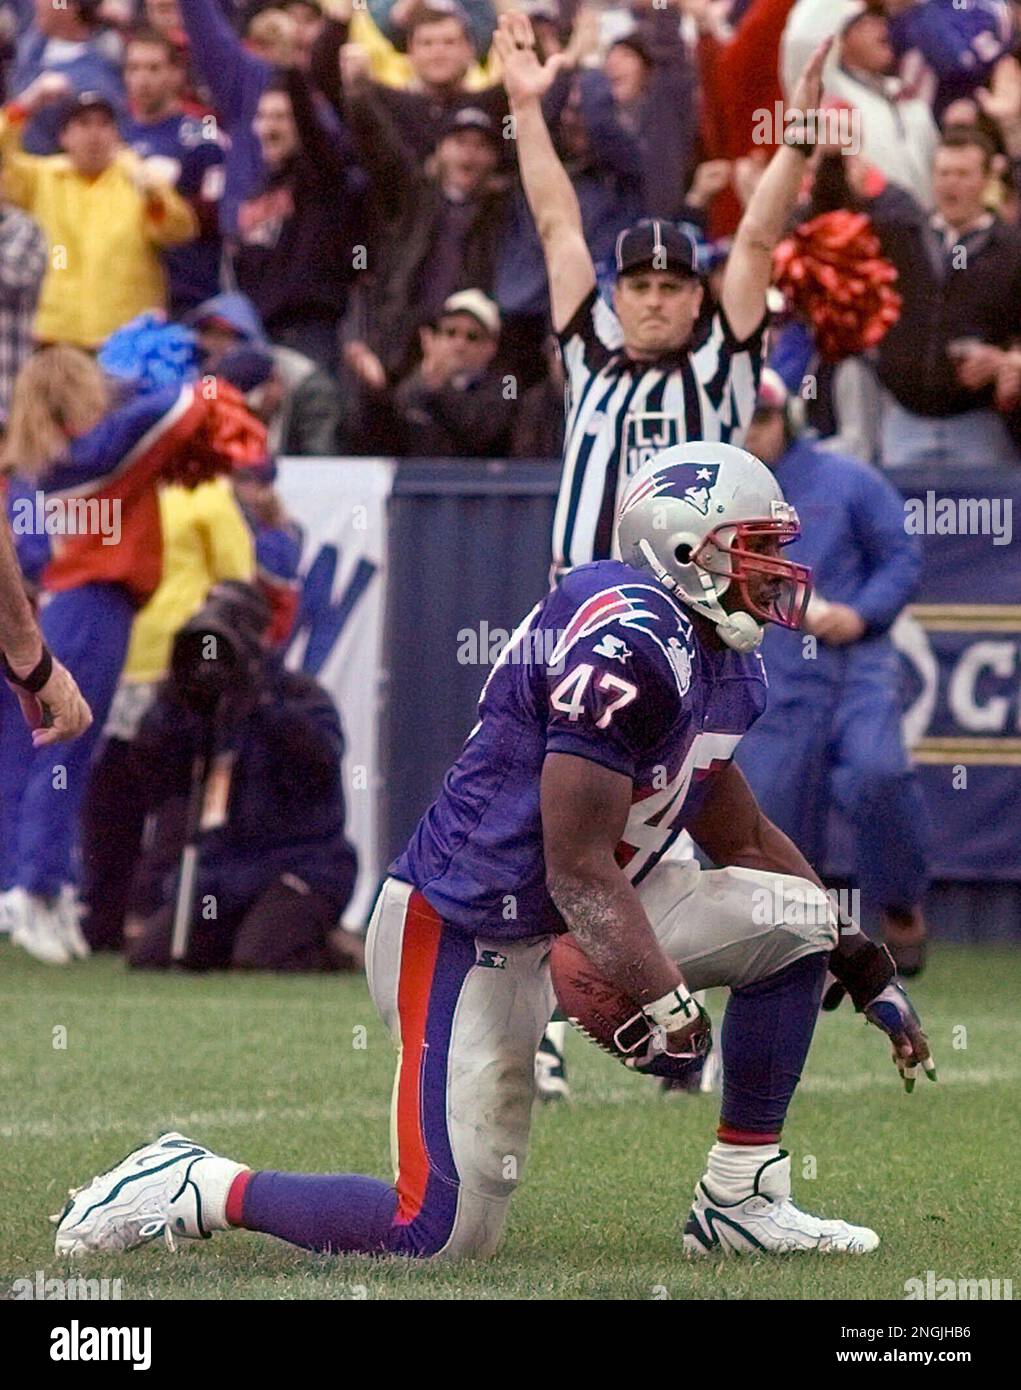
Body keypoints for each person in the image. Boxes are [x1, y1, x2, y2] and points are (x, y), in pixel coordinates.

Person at [53, 439, 934, 1262]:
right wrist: (668, 1003)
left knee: (795, 918)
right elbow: (573, 865)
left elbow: (734, 833)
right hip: (467, 924)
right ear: (681, 549)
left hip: (600, 906)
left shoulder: (724, 658)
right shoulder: (624, 642)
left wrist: (858, 957)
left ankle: (741, 1200)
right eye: (750, 548)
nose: (771, 572)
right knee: (435, 1234)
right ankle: (193, 1182)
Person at [495, 11, 826, 576]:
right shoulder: (589, 353)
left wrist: (794, 144)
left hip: (689, 610)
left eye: (671, 287)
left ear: (699, 299)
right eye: (640, 286)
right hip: (583, 608)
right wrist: (525, 109)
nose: (653, 300)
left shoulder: (720, 368)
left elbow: (754, 243)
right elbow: (557, 226)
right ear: (615, 297)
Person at [0, 345, 265, 966]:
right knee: (65, 751)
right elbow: (179, 405)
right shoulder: (95, 452)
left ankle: (33, 886)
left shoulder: (32, 464)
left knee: (28, 756)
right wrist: (177, 377)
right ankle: (35, 890)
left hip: (52, 612)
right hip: (89, 607)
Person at [735, 371, 930, 974]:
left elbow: (901, 554)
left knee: (878, 773)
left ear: (785, 418)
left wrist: (861, 614)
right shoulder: (725, 494)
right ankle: (799, 944)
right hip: (776, 667)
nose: (753, 432)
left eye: (763, 419)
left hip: (855, 661)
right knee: (769, 809)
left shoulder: (846, 479)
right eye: (743, 419)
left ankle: (899, 905)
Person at [123, 581, 356, 972]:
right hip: (222, 872)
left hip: (302, 864)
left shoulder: (299, 694)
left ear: (263, 635)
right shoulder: (202, 704)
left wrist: (261, 702)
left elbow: (322, 762)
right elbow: (153, 774)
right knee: (153, 957)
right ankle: (244, 934)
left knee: (259, 959)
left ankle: (334, 951)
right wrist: (174, 699)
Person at [812, 127, 1021, 468]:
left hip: (979, 426)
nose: (951, 183)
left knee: (985, 519)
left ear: (987, 181)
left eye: (963, 174)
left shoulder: (1011, 250)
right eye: (943, 173)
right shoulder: (901, 235)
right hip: (903, 422)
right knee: (906, 521)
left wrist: (1005, 360)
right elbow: (829, 229)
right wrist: (831, 163)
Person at [0, 80, 197, 348]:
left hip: (126, 343)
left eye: (103, 125)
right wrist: (26, 103)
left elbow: (179, 231)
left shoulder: (138, 178)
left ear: (117, 134)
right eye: (83, 124)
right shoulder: (40, 178)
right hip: (53, 337)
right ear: (64, 136)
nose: (94, 134)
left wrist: (152, 192)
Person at [120, 26, 226, 316]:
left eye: (154, 68)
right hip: (125, 296)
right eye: (134, 68)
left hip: (189, 297)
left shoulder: (202, 139)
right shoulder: (115, 137)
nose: (143, 79)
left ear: (176, 74)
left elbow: (219, 216)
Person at [391, 289, 515, 457]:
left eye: (472, 336)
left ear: (491, 346)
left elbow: (484, 434)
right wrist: (425, 378)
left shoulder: (507, 385)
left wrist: (441, 387)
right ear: (436, 337)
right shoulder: (415, 382)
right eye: (450, 333)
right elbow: (394, 429)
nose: (459, 345)